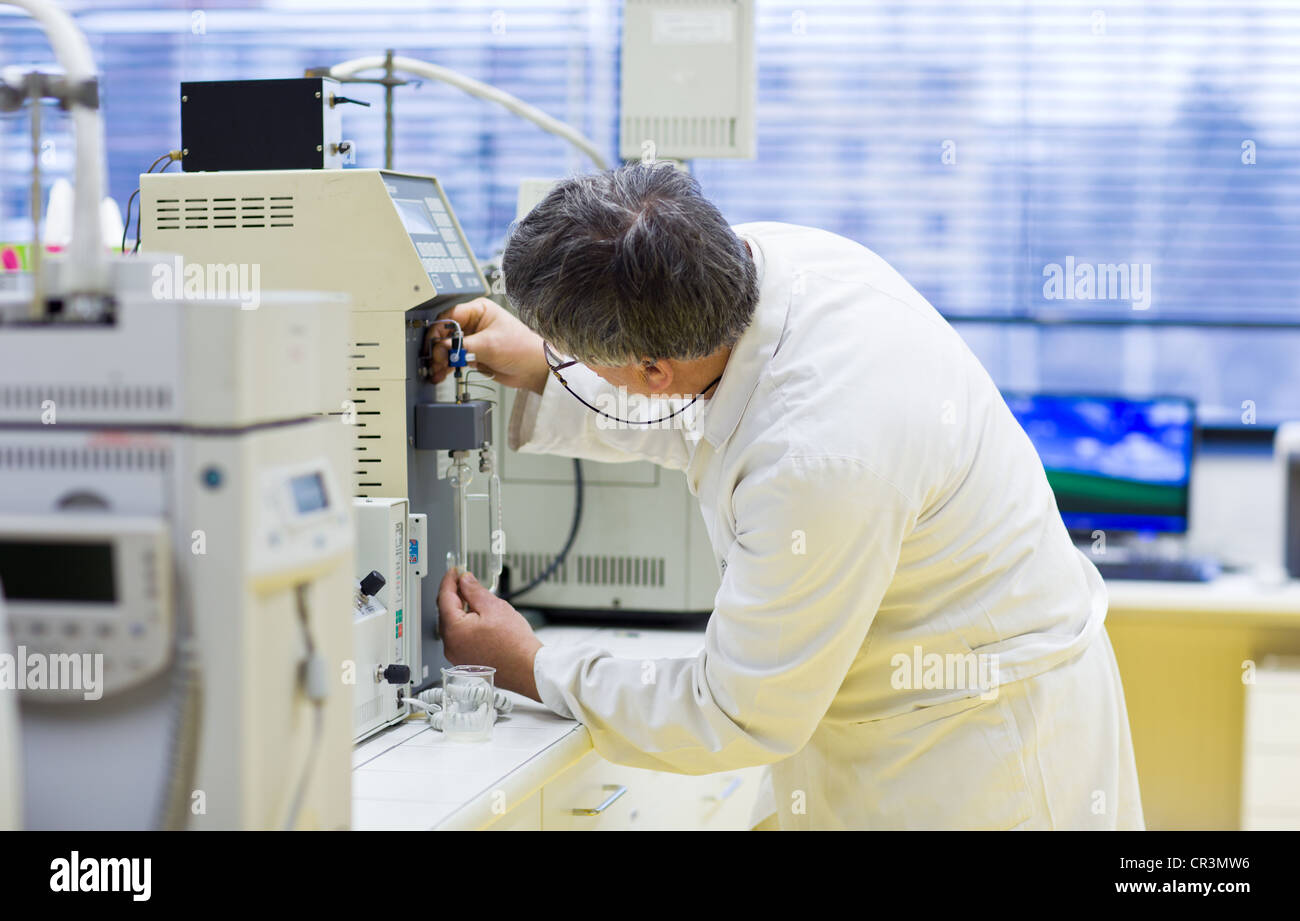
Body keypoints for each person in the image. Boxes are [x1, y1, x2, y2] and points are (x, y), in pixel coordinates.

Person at [428, 163, 1144, 830]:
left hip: (974, 760)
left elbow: (732, 711)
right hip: (893, 716)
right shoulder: (754, 266)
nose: (567, 364)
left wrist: (532, 664)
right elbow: (704, 406)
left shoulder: (820, 455)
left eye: (575, 356)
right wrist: (547, 370)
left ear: (650, 368)